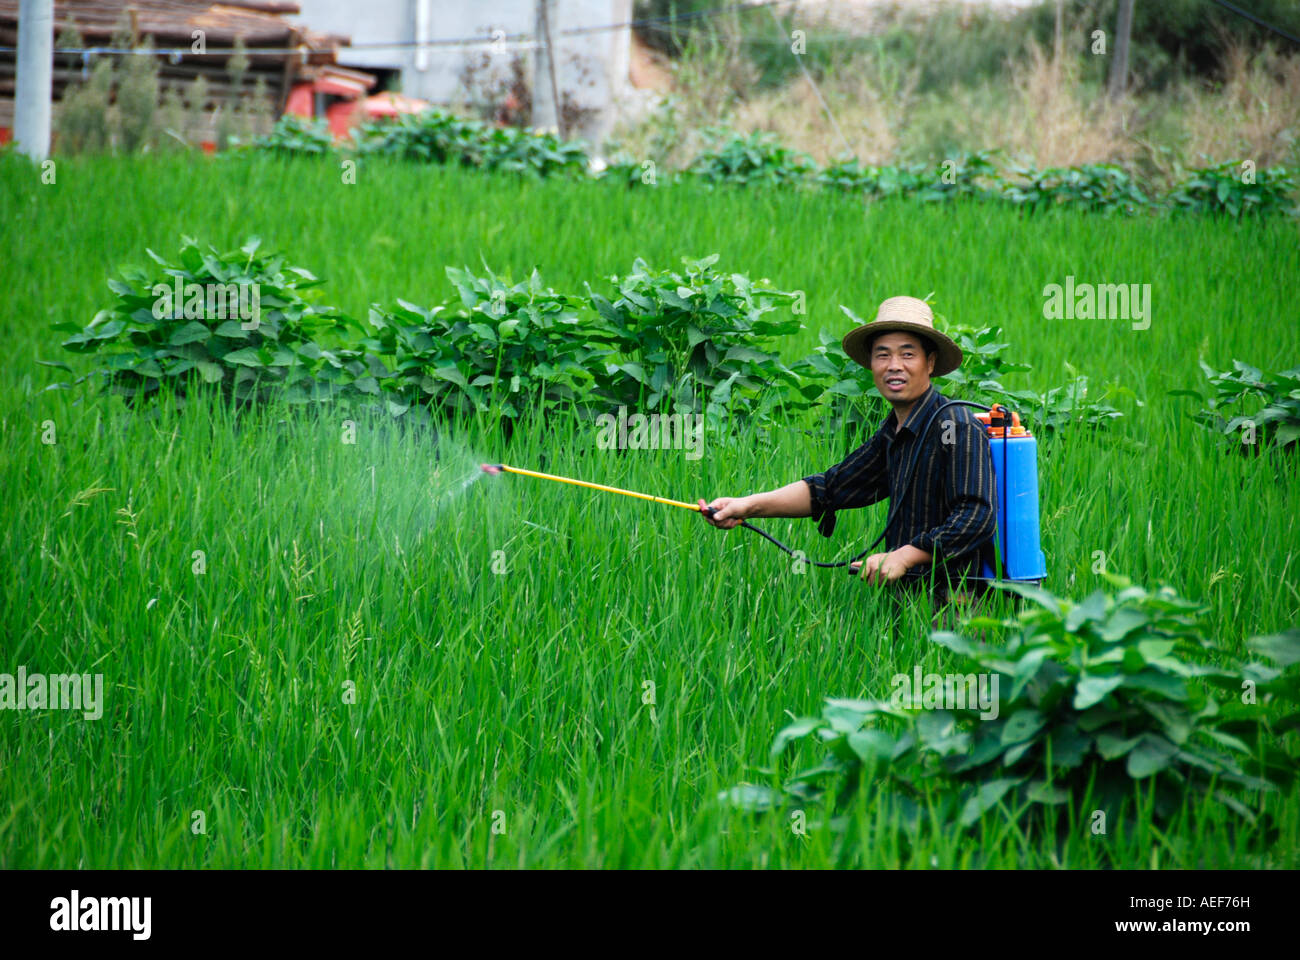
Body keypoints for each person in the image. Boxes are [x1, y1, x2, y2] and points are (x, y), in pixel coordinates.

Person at [699, 296, 998, 606]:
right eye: (883, 355)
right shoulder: (894, 432)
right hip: (907, 600)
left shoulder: (956, 425)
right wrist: (745, 506)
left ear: (930, 362)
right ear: (871, 364)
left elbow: (976, 515)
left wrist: (905, 557)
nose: (894, 365)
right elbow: (831, 488)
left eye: (908, 354)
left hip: (959, 604)